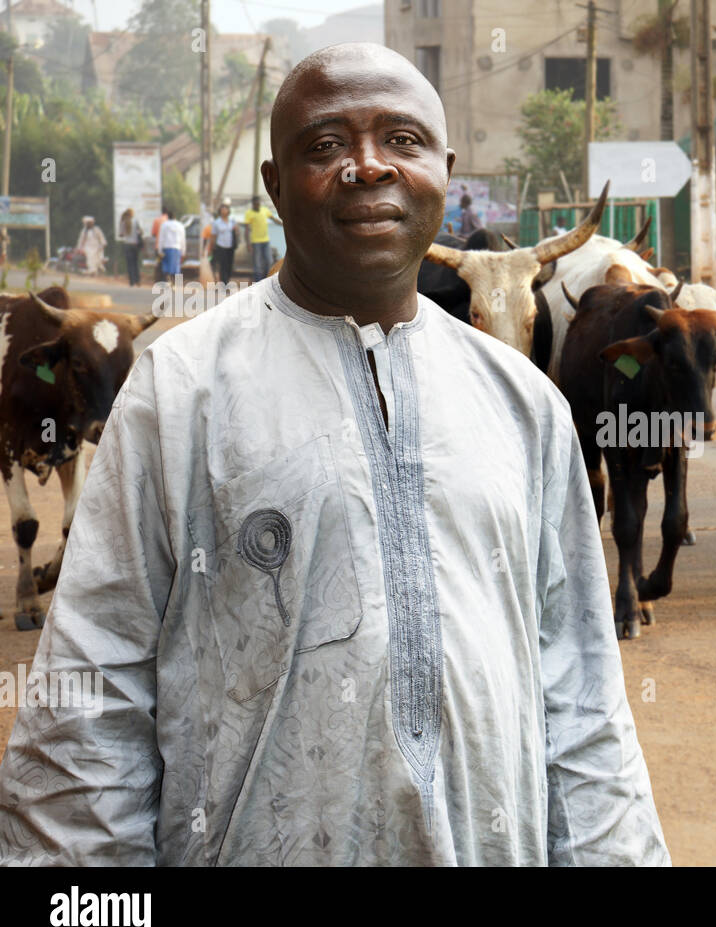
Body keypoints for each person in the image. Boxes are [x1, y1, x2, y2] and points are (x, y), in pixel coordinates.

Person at [0, 41, 670, 867]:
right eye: (325, 147)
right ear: (276, 185)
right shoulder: (180, 392)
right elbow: (91, 698)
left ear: (443, 171)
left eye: (402, 140)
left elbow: (583, 701)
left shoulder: (522, 403)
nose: (367, 167)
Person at [243, 195, 281, 281]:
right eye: (255, 203)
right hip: (256, 242)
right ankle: (258, 282)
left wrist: (283, 224)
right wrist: (248, 244)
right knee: (257, 264)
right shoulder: (249, 214)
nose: (257, 205)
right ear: (253, 204)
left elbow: (274, 219)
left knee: (269, 261)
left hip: (265, 241)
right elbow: (246, 230)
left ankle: (266, 279)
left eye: (258, 203)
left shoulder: (265, 210)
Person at [203, 202, 239, 284]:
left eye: (225, 209)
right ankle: (224, 284)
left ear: (228, 211)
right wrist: (211, 249)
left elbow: (237, 232)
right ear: (220, 211)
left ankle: (227, 280)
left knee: (229, 266)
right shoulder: (217, 223)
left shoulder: (232, 221)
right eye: (222, 209)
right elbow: (213, 236)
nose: (224, 211)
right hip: (221, 246)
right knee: (223, 266)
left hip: (230, 247)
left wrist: (236, 230)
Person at [156, 208, 186, 281]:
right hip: (177, 249)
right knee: (176, 268)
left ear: (168, 217)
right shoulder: (180, 226)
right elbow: (183, 240)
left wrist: (160, 250)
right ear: (175, 217)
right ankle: (177, 285)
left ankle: (166, 283)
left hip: (166, 249)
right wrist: (183, 252)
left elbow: (161, 238)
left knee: (166, 268)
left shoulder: (164, 225)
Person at [118, 208, 143, 286]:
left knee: (129, 264)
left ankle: (131, 282)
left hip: (127, 244)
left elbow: (121, 234)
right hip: (135, 245)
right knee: (135, 263)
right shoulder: (135, 221)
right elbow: (141, 231)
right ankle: (137, 280)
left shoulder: (123, 222)